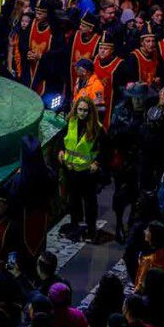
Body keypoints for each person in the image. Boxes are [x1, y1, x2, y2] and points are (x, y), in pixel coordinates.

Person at [59, 96, 104, 241]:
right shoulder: (70, 122)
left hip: (87, 173)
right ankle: (75, 227)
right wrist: (60, 150)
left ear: (90, 111)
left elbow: (106, 150)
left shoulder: (97, 128)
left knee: (90, 203)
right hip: (71, 170)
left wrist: (97, 163)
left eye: (85, 110)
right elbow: (62, 139)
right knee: (74, 202)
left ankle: (91, 230)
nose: (82, 113)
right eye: (80, 109)